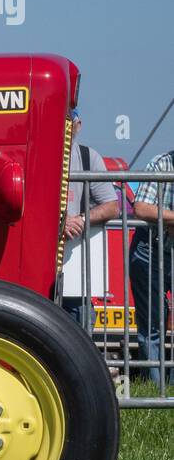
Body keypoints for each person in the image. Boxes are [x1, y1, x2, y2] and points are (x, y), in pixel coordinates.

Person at [62, 109, 120, 325]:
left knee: (81, 320)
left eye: (69, 121)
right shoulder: (35, 153)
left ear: (78, 125)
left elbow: (112, 206)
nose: (66, 126)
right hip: (36, 263)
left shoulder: (88, 157)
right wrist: (61, 222)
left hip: (75, 266)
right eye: (61, 120)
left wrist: (81, 220)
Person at [128, 147, 174, 386]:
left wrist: (164, 217)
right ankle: (155, 394)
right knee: (152, 328)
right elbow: (141, 208)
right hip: (149, 251)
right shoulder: (161, 162)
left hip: (159, 248)